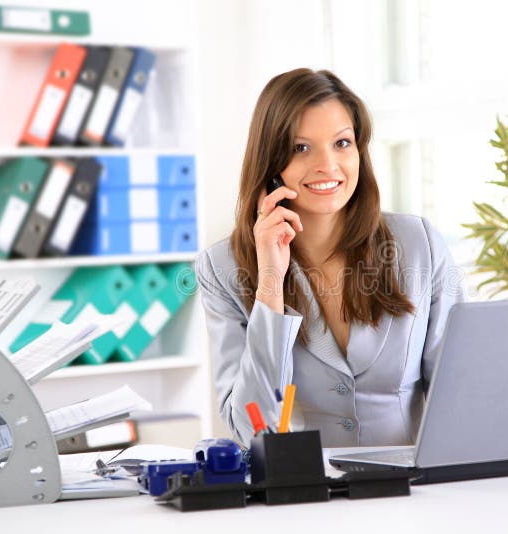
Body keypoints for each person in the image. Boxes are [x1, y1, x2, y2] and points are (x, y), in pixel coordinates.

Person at [195, 68, 462, 448]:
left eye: (342, 143)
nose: (328, 165)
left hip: (411, 479)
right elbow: (253, 430)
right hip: (303, 484)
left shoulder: (419, 243)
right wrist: (270, 283)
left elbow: (460, 394)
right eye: (301, 148)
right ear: (271, 163)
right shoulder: (222, 268)